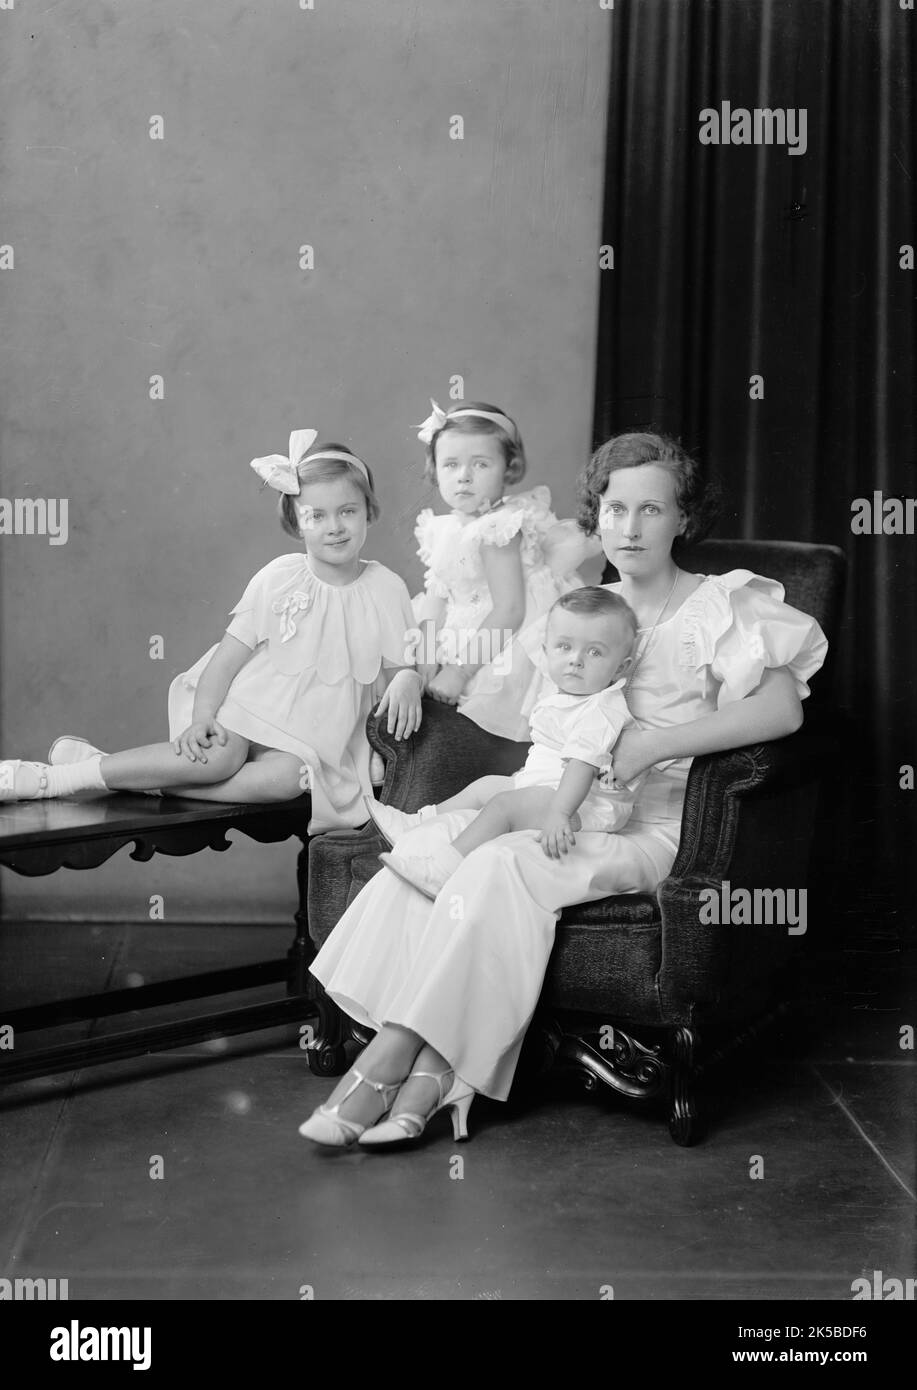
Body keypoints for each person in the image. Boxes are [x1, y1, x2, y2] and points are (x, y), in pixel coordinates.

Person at [300, 430, 828, 1150]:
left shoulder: (719, 605)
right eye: (615, 509)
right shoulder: (584, 611)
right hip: (566, 809)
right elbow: (543, 730)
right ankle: (434, 1077)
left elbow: (781, 711)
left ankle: (385, 1060)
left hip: (657, 828)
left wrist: (654, 744)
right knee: (436, 853)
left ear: (682, 519)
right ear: (597, 516)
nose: (630, 528)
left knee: (494, 861)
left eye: (651, 510)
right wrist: (412, 674)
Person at [0, 430, 423, 833]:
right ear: (296, 523)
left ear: (369, 511)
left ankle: (133, 776)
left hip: (314, 740)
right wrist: (203, 716)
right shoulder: (279, 578)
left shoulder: (385, 588)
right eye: (317, 515)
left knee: (288, 781)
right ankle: (57, 778)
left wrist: (406, 676)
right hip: (252, 709)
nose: (334, 526)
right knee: (219, 756)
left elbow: (401, 663)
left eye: (347, 511)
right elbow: (227, 658)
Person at [370, 587, 643, 899]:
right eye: (564, 647)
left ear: (621, 667)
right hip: (553, 786)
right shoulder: (566, 698)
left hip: (586, 803)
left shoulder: (602, 710)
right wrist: (525, 782)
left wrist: (559, 813)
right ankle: (414, 823)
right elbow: (550, 756)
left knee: (503, 806)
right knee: (487, 786)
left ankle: (441, 871)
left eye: (594, 652)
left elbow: (581, 767)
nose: (576, 661)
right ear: (546, 650)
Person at [410, 398, 603, 742]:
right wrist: (426, 658)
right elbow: (438, 596)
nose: (464, 477)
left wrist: (459, 671)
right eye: (450, 465)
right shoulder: (442, 528)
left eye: (481, 465)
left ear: (508, 468)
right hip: (465, 627)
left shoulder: (499, 528)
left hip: (504, 640)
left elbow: (510, 610)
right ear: (434, 468)